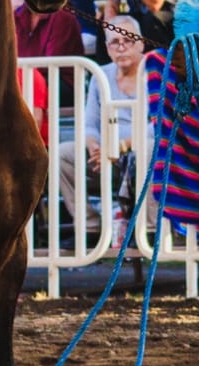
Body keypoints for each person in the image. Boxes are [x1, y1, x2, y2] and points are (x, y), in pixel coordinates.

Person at [58, 17, 144, 239]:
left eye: (128, 40)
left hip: (142, 156)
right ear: (107, 48)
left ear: (141, 43)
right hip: (106, 157)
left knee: (150, 148)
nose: (122, 46)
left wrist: (121, 146)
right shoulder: (100, 75)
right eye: (115, 41)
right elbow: (90, 124)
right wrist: (94, 146)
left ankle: (149, 229)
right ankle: (90, 227)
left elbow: (163, 126)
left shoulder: (155, 71)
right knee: (62, 155)